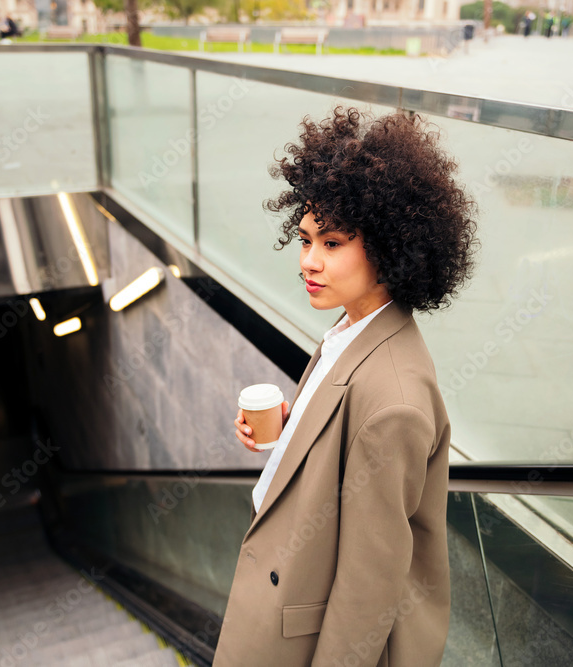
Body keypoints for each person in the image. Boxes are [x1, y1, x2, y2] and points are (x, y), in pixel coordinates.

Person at [214, 106, 478, 667]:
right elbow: (341, 449)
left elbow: (369, 588)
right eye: (306, 239)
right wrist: (289, 437)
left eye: (332, 244)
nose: (308, 261)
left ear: (387, 247)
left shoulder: (396, 404)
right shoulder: (357, 326)